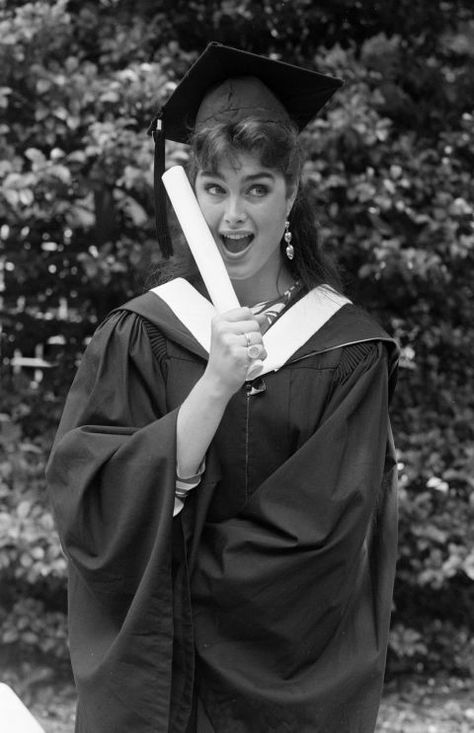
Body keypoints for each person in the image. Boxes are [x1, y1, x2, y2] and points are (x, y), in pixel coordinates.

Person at [46, 43, 399, 733]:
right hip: (154, 688)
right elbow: (87, 500)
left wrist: (172, 587)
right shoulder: (142, 334)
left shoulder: (348, 352)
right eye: (215, 188)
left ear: (291, 194)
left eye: (257, 187)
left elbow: (323, 541)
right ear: (190, 191)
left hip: (281, 692)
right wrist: (213, 384)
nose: (233, 216)